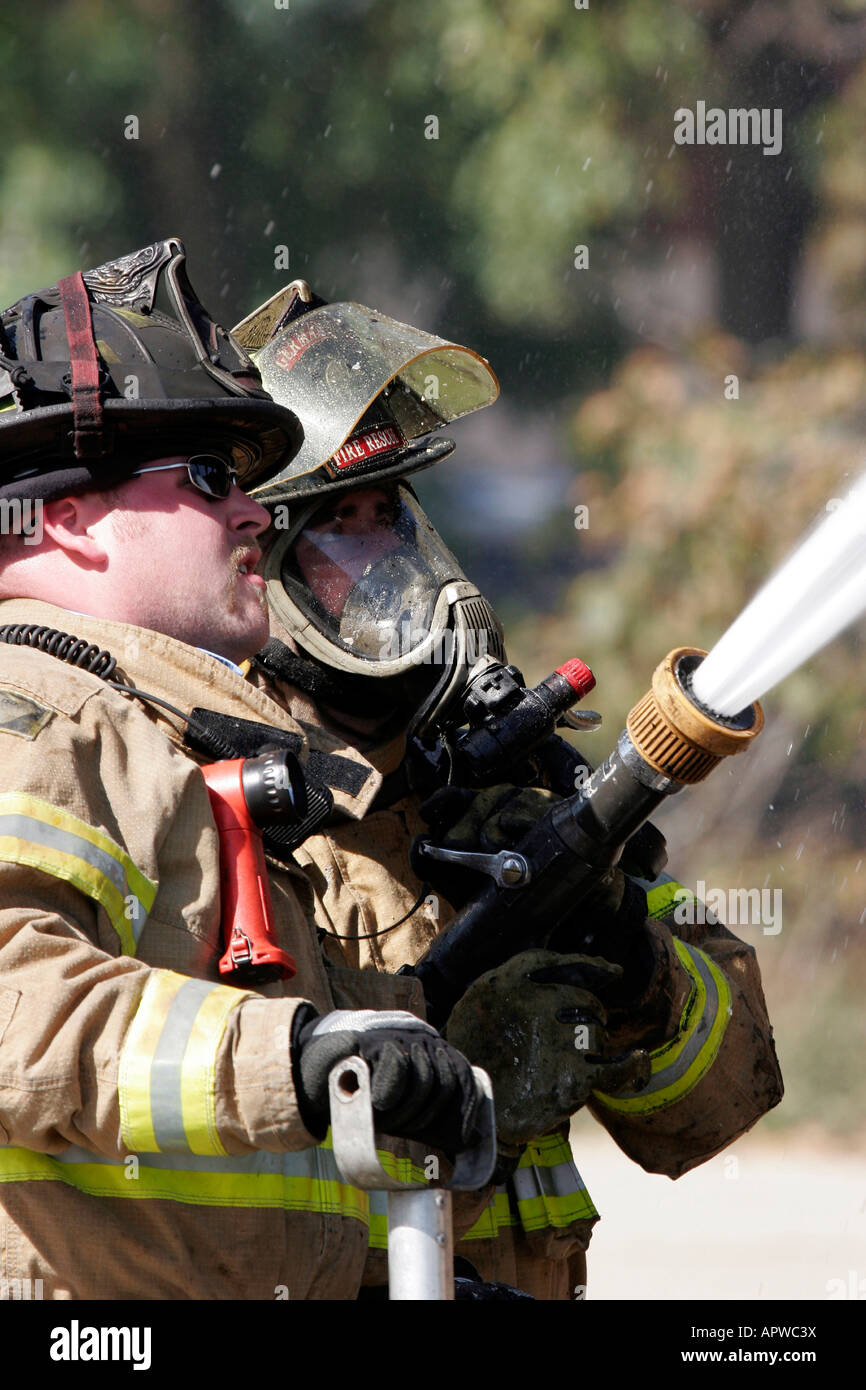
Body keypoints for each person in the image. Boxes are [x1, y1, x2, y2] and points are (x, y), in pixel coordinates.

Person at [233, 279, 785, 1299]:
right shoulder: (219, 794)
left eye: (392, 517)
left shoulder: (519, 786)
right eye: (341, 528)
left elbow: (716, 1108)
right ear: (261, 567)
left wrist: (632, 961)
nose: (396, 564)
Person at [0, 240, 490, 1301]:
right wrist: (303, 1057)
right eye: (214, 478)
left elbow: (242, 1200)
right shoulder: (37, 716)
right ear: (74, 519)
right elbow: (14, 1005)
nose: (257, 513)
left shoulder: (161, 728)